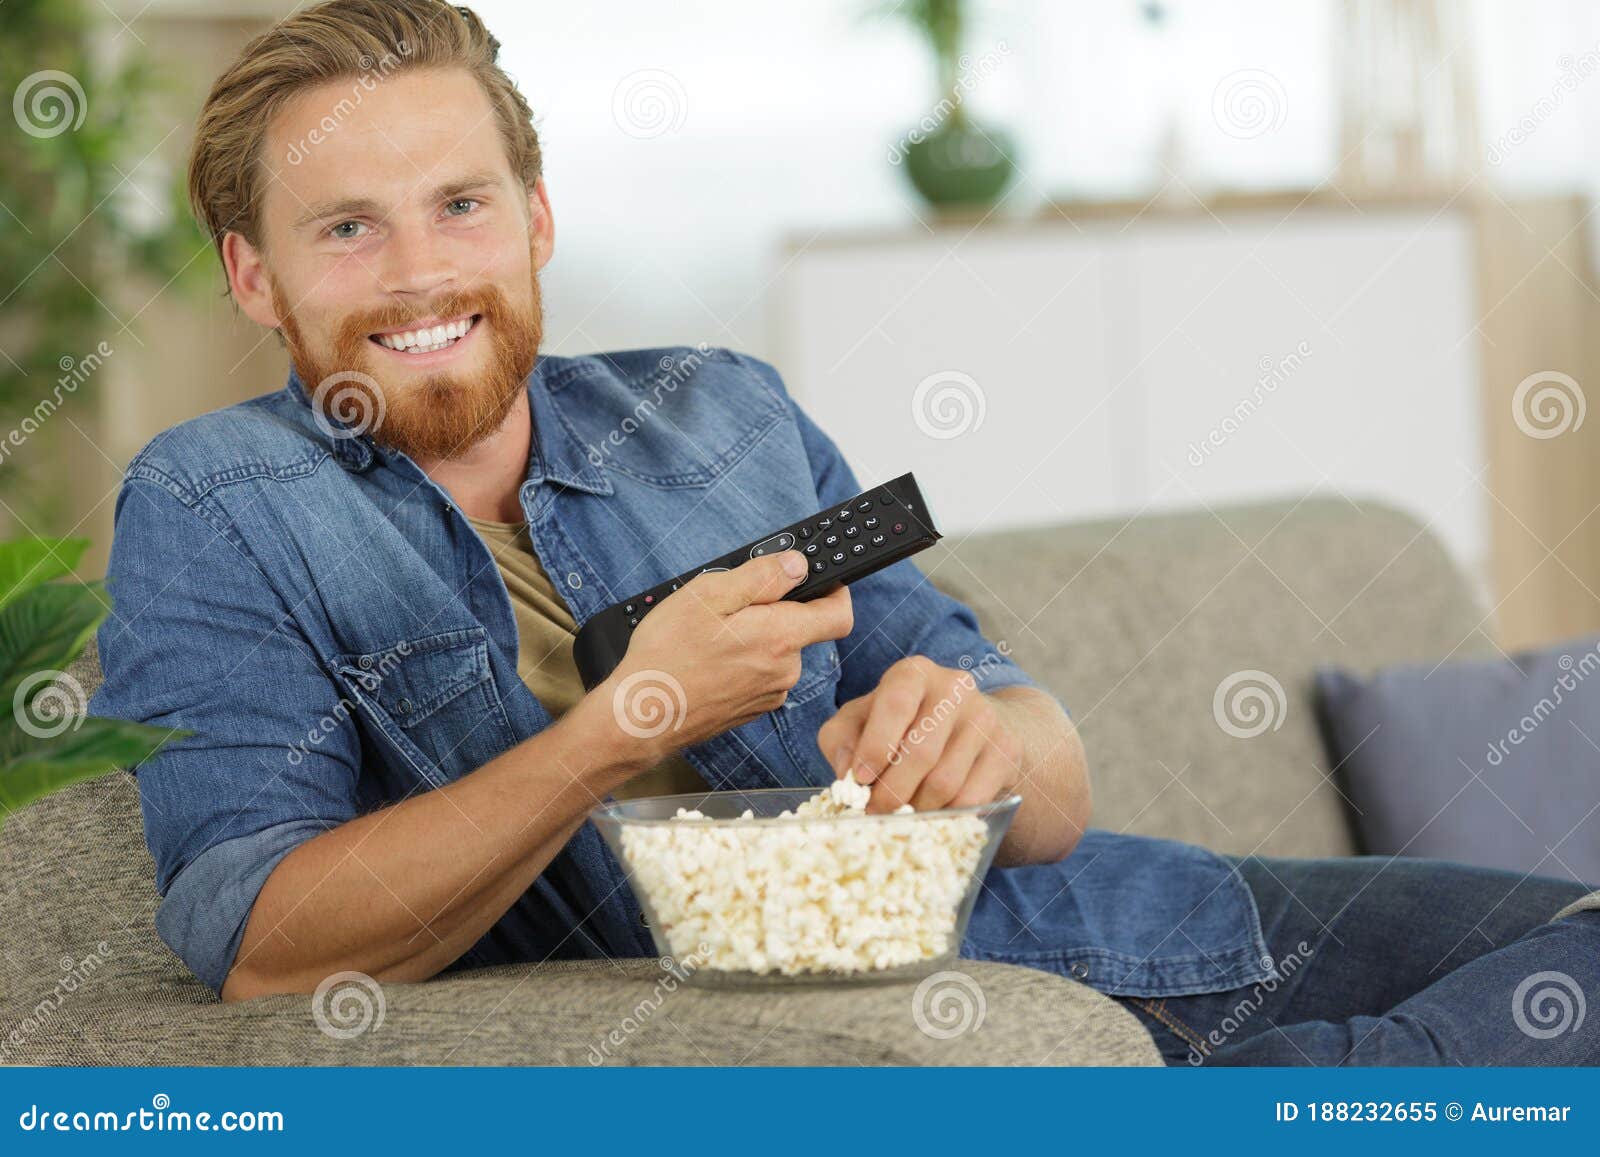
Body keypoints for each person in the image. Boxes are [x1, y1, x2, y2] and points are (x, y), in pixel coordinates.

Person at [91, 0, 1598, 1064]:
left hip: (1113, 927)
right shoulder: (214, 507)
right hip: (867, 1042)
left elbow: (1050, 776)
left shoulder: (718, 411)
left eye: (462, 205)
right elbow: (260, 946)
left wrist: (981, 739)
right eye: (346, 228)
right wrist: (628, 722)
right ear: (251, 274)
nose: (422, 274)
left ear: (537, 220)